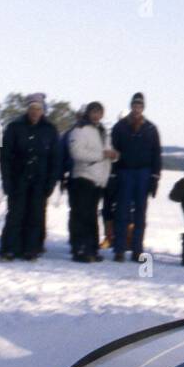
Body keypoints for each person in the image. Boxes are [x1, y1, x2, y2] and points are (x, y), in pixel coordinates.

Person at [0, 93, 58, 261]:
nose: (35, 112)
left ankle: (31, 249)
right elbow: (5, 156)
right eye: (32, 108)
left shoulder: (50, 130)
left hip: (40, 180)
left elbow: (55, 158)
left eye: (38, 109)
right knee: (15, 215)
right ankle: (8, 249)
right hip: (18, 179)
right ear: (27, 109)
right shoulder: (14, 127)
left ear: (43, 110)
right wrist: (6, 180)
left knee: (36, 216)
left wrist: (51, 182)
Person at [109, 92, 160, 262]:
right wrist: (114, 174)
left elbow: (156, 155)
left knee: (140, 214)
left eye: (140, 106)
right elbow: (113, 151)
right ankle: (119, 248)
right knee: (122, 212)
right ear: (131, 106)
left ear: (143, 107)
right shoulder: (120, 127)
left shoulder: (151, 129)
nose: (137, 108)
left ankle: (137, 249)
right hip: (125, 172)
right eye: (135, 105)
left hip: (144, 174)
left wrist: (155, 177)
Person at [65, 100, 115, 262]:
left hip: (98, 179)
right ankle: (79, 248)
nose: (96, 115)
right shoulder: (79, 129)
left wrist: (114, 156)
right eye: (94, 112)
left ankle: (92, 248)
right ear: (88, 113)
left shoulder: (102, 131)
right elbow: (76, 153)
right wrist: (101, 155)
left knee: (92, 216)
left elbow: (107, 152)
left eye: (99, 112)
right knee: (81, 215)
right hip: (82, 177)